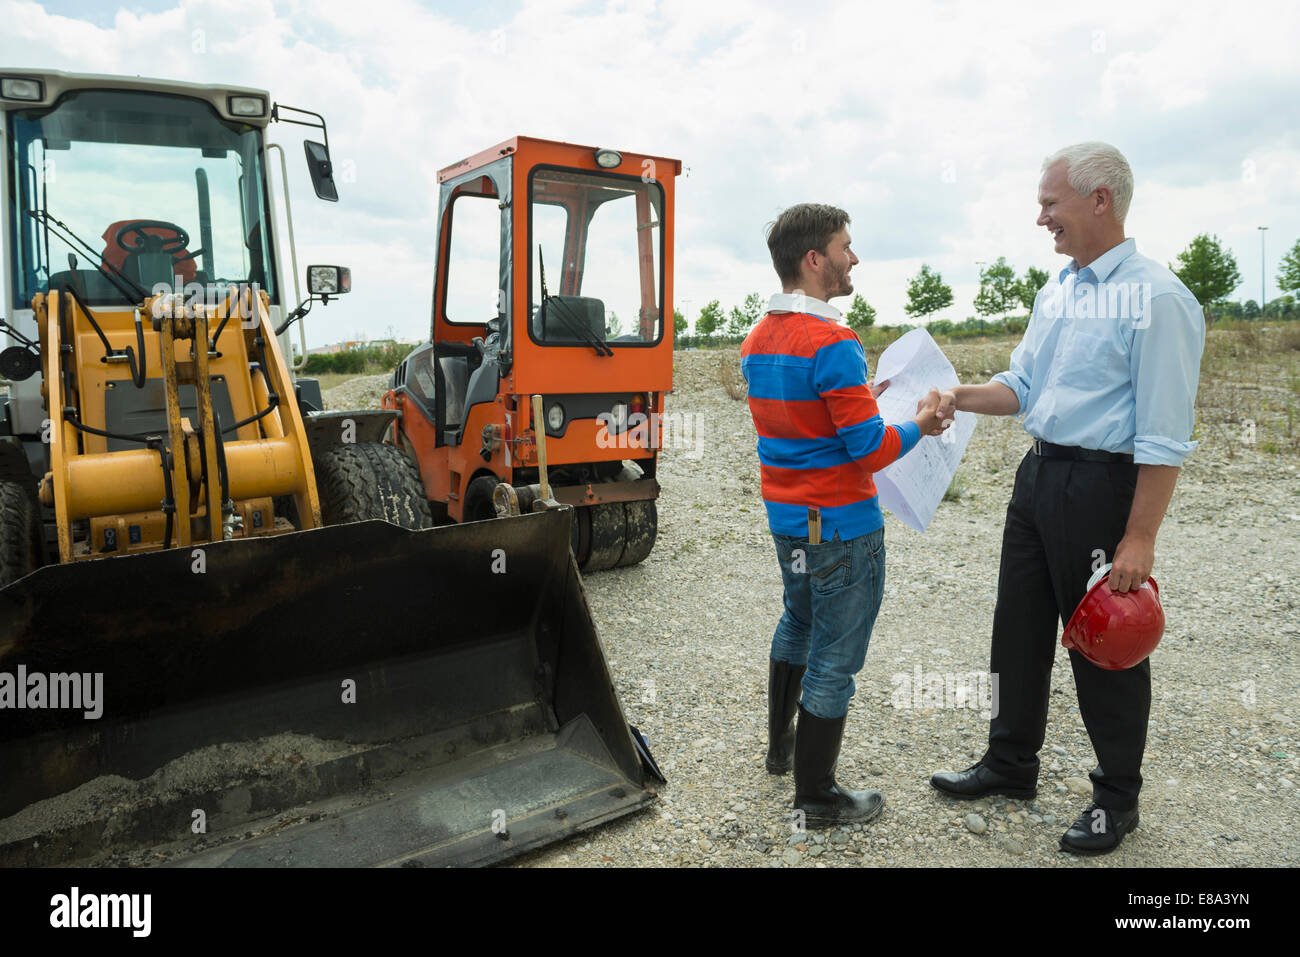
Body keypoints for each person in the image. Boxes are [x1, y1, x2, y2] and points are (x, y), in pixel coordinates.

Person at [927, 142, 1205, 855]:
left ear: (1100, 200)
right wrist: (958, 394)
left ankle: (1118, 797)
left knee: (1105, 642)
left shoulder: (1159, 298)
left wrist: (1139, 538)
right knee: (1015, 626)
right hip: (1040, 475)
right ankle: (1009, 761)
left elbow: (1164, 437)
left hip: (1103, 485)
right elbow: (1021, 386)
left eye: (1051, 202)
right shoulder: (1058, 291)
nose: (1041, 216)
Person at [742, 203, 951, 828]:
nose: (853, 258)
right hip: (840, 524)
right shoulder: (833, 340)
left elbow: (801, 415)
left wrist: (862, 399)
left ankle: (781, 749)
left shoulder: (758, 338)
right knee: (836, 656)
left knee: (798, 620)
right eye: (845, 246)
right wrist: (924, 422)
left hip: (789, 520)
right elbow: (872, 448)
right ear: (815, 260)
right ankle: (817, 798)